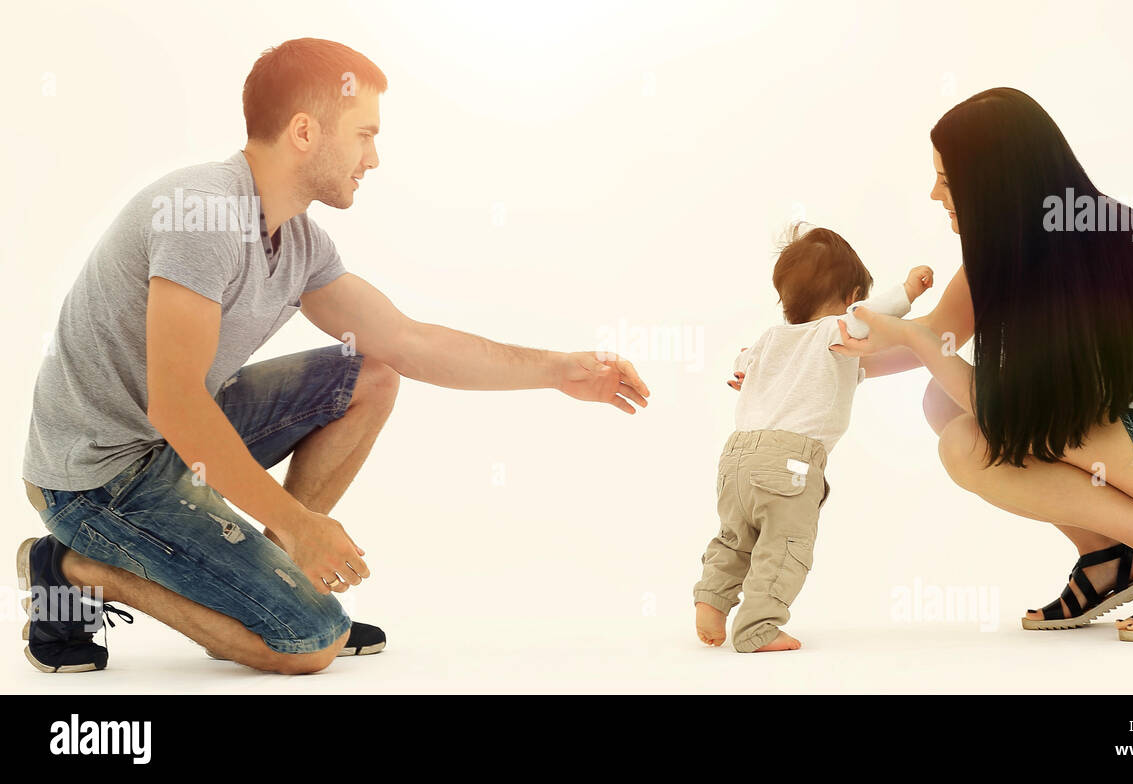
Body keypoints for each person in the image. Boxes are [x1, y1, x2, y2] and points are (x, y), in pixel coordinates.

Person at [18, 38, 650, 674]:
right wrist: (297, 520)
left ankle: (280, 581)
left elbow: (409, 342)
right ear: (304, 131)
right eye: (364, 135)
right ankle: (71, 566)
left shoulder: (299, 243)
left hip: (171, 441)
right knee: (309, 645)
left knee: (370, 376)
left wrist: (559, 370)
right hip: (96, 477)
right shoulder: (204, 214)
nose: (373, 158)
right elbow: (177, 403)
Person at [825, 88, 1133, 642]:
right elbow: (934, 336)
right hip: (1125, 444)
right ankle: (1108, 556)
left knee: (967, 437)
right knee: (944, 400)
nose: (935, 193)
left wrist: (924, 344)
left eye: (949, 180)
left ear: (995, 183)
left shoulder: (1103, 253)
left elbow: (1021, 413)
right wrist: (812, 366)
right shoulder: (1008, 249)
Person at [695, 223, 932, 652]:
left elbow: (741, 364)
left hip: (735, 458)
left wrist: (749, 377)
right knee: (783, 546)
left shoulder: (770, 338)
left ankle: (711, 601)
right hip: (789, 463)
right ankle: (756, 628)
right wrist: (910, 291)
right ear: (852, 297)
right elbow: (872, 319)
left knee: (736, 536)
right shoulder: (837, 330)